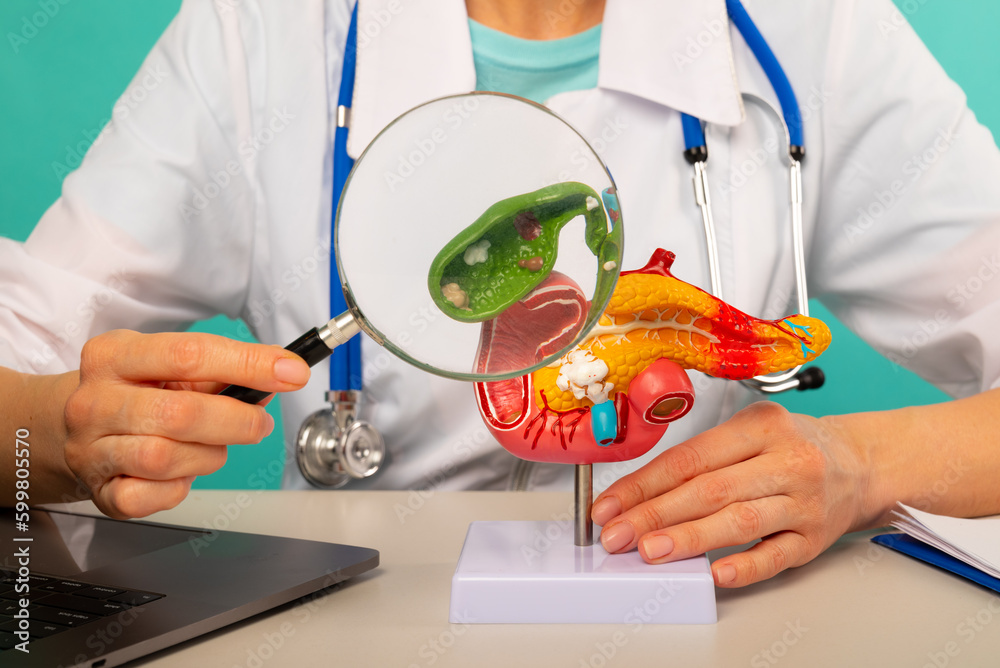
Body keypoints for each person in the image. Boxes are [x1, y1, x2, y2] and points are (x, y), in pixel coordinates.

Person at [2, 0, 1000, 589]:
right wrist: (60, 431)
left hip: (703, 612)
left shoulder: (811, 32)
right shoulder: (262, 33)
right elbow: (17, 381)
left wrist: (864, 463)